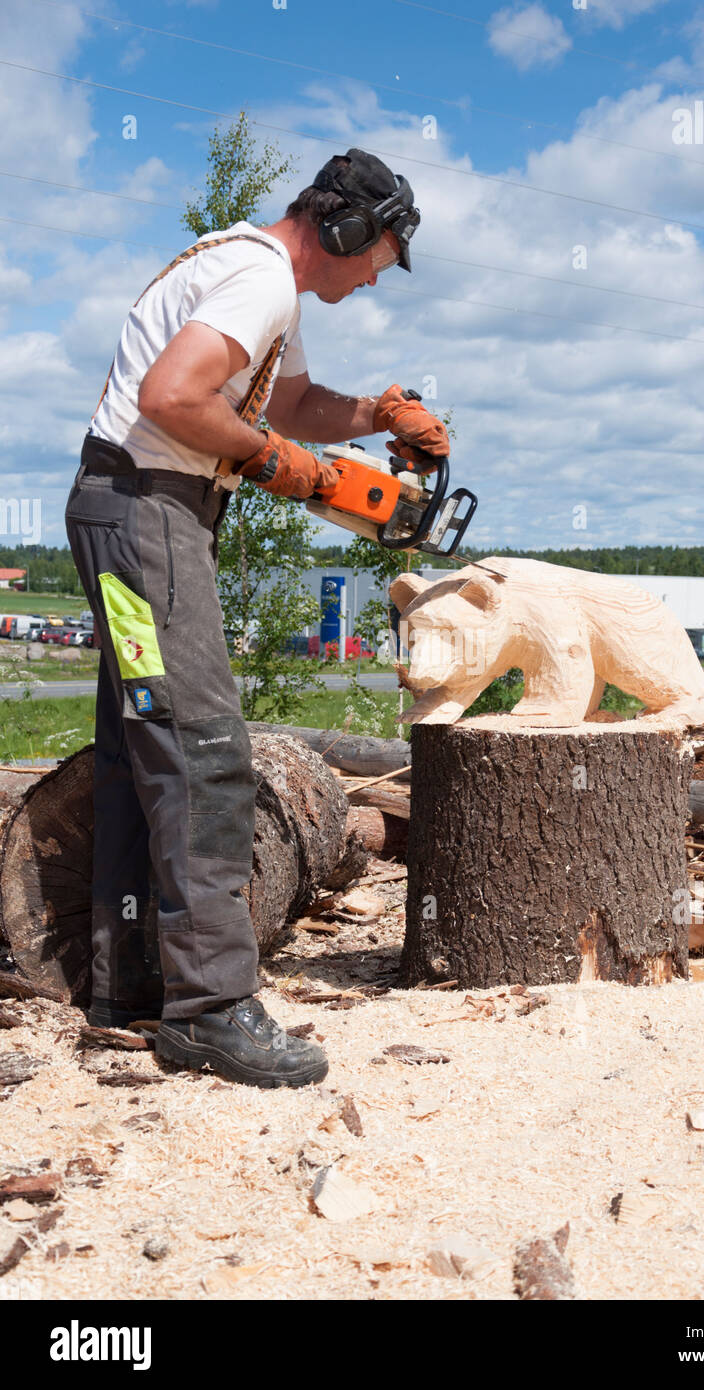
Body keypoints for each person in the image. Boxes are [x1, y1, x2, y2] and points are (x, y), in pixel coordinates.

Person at [65, 148, 449, 1089]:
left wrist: (374, 413)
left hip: (133, 509)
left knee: (140, 746)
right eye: (377, 257)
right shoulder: (259, 277)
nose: (372, 279)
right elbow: (174, 399)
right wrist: (290, 470)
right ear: (347, 228)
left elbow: (284, 402)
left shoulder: (253, 279)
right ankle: (210, 1009)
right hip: (148, 513)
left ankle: (128, 983)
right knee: (203, 752)